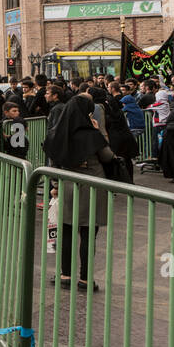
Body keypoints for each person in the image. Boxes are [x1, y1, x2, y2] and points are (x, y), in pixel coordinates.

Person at [42, 93, 114, 290]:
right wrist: (101, 133)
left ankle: (65, 275)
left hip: (67, 185)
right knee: (88, 234)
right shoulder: (91, 134)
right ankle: (84, 279)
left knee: (66, 231)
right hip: (92, 186)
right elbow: (108, 157)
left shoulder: (57, 132)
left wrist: (55, 186)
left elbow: (53, 162)